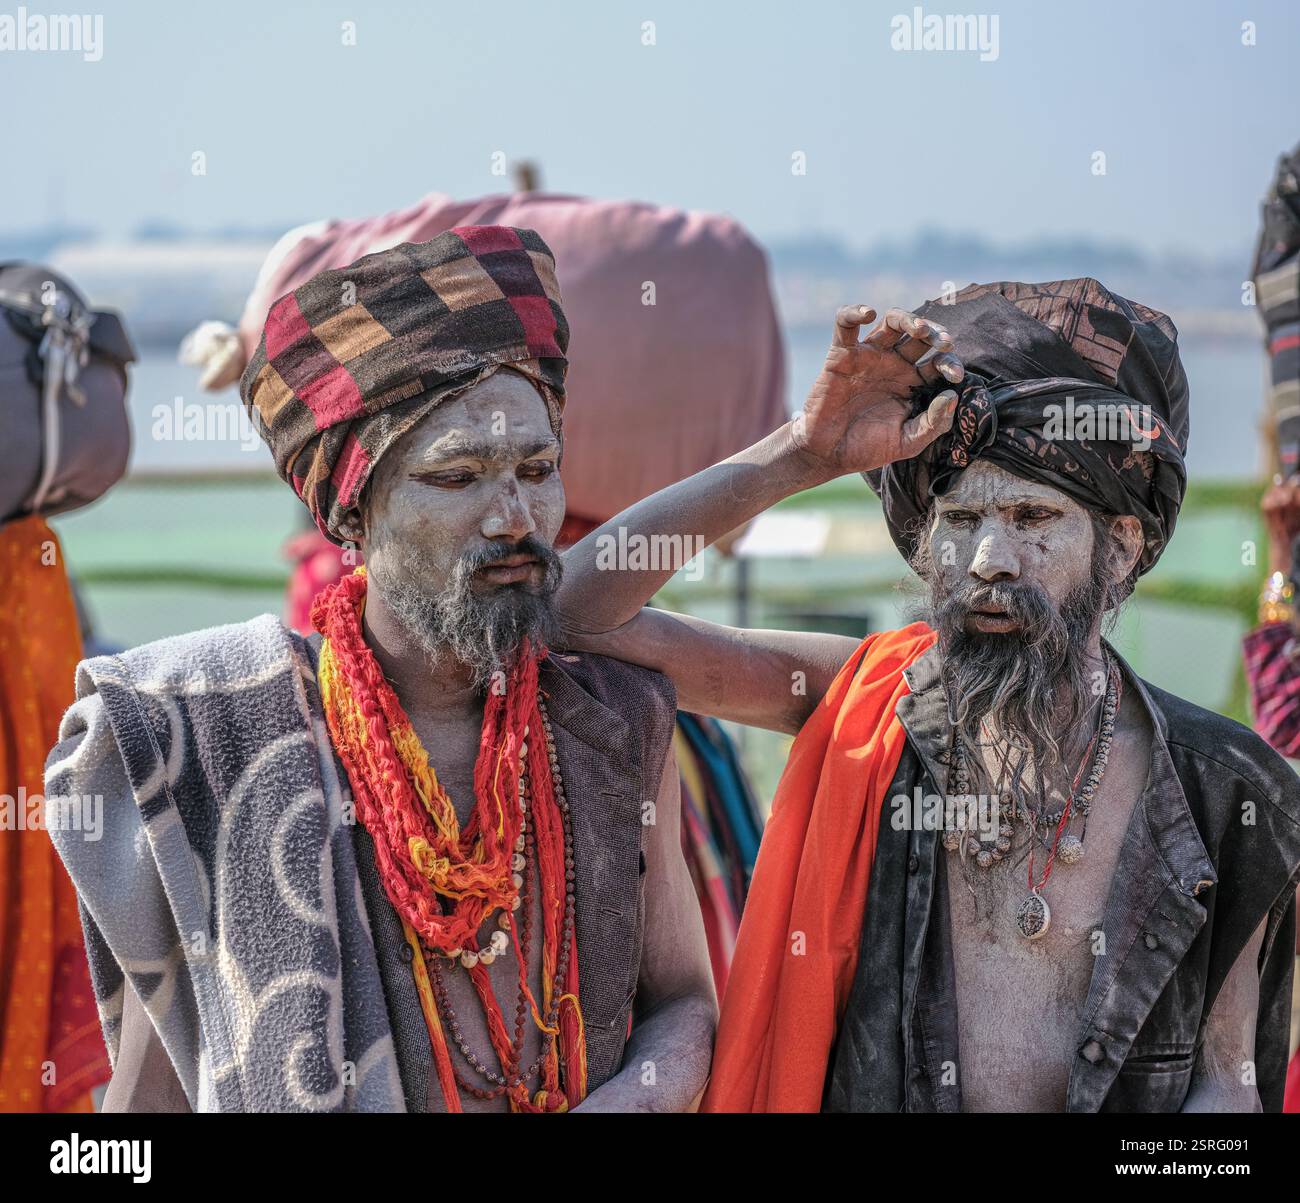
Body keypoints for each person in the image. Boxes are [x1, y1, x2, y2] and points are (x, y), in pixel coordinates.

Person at [556, 278, 1300, 1112]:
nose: (986, 559)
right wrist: (800, 453)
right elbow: (572, 615)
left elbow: (1227, 1087)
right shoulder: (856, 703)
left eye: (1030, 515)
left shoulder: (1233, 796)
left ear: (1122, 546)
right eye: (958, 520)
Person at [45, 226, 715, 1113]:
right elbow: (148, 1104)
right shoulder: (209, 747)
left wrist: (636, 1100)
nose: (514, 515)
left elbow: (684, 1002)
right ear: (352, 512)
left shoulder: (617, 722)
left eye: (538, 468)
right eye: (457, 476)